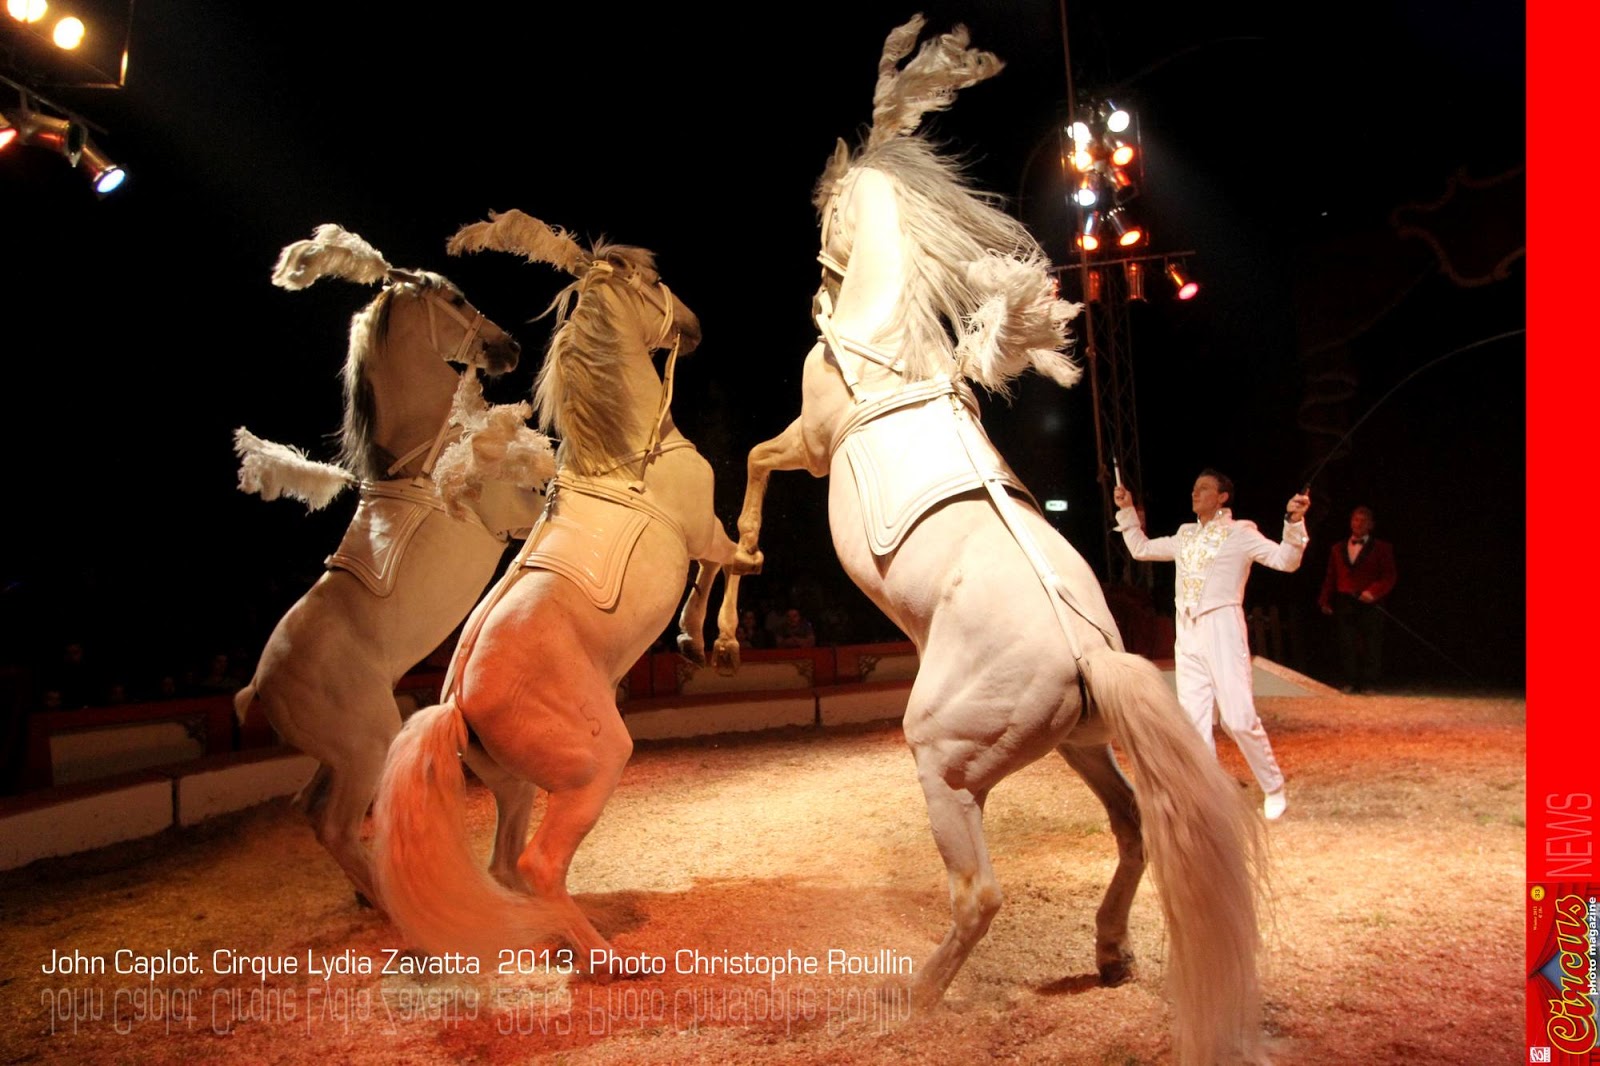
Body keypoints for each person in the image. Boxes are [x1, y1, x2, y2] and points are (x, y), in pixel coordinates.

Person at [1113, 471, 1310, 820]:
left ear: (1222, 497)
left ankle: (1273, 787)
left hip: (1222, 627)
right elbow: (1140, 548)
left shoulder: (1241, 532)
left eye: (1203, 489)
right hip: (1187, 631)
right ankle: (1207, 797)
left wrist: (1293, 521)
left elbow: (1286, 560)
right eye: (1193, 488)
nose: (1195, 493)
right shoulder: (1186, 535)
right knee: (1194, 720)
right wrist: (1127, 511)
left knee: (1238, 718)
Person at [1318, 505, 1397, 693]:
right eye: (1355, 520)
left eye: (1363, 521)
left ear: (1371, 525)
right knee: (1347, 642)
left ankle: (1370, 682)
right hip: (1345, 600)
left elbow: (1389, 575)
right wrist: (1324, 600)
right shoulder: (1338, 548)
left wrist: (1373, 592)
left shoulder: (1382, 548)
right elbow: (1331, 575)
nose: (1358, 524)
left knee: (1371, 643)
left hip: (1370, 601)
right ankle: (1350, 681)